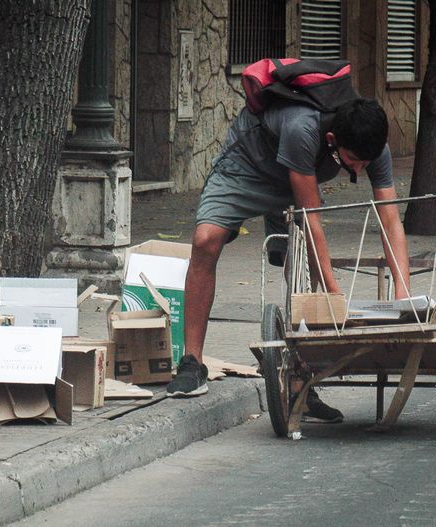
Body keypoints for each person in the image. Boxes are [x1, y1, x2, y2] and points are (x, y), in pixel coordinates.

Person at [166, 97, 411, 423]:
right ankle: (192, 362)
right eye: (353, 161)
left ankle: (301, 383)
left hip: (298, 175)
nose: (358, 169)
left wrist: (404, 297)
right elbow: (312, 221)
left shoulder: (371, 147)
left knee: (302, 266)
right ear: (332, 141)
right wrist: (336, 302)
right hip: (247, 165)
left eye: (366, 163)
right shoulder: (303, 129)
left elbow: (390, 221)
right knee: (205, 241)